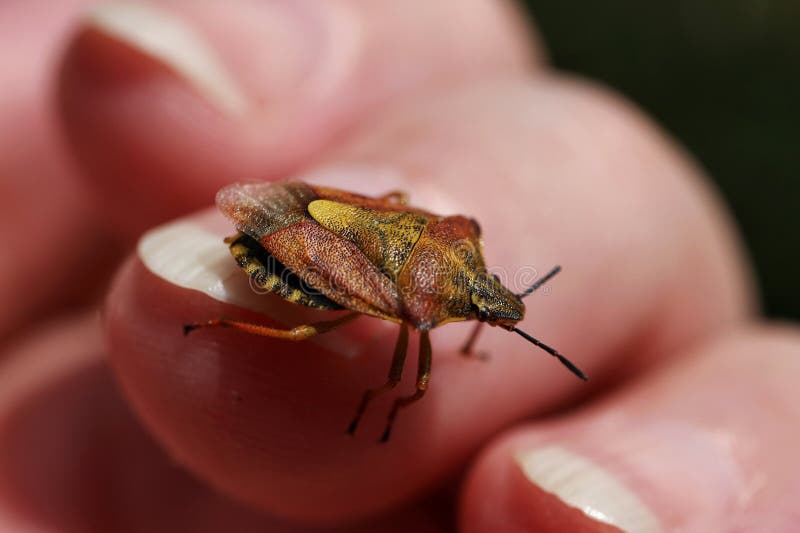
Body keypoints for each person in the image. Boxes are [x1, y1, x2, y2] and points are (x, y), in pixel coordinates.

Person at [1, 1, 797, 531]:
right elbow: (406, 385)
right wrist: (378, 406)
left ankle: (223, 312)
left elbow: (444, 231)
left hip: (317, 222)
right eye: (485, 311)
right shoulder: (426, 314)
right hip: (291, 257)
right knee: (311, 340)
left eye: (484, 314)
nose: (485, 311)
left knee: (332, 333)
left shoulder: (443, 263)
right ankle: (218, 315)